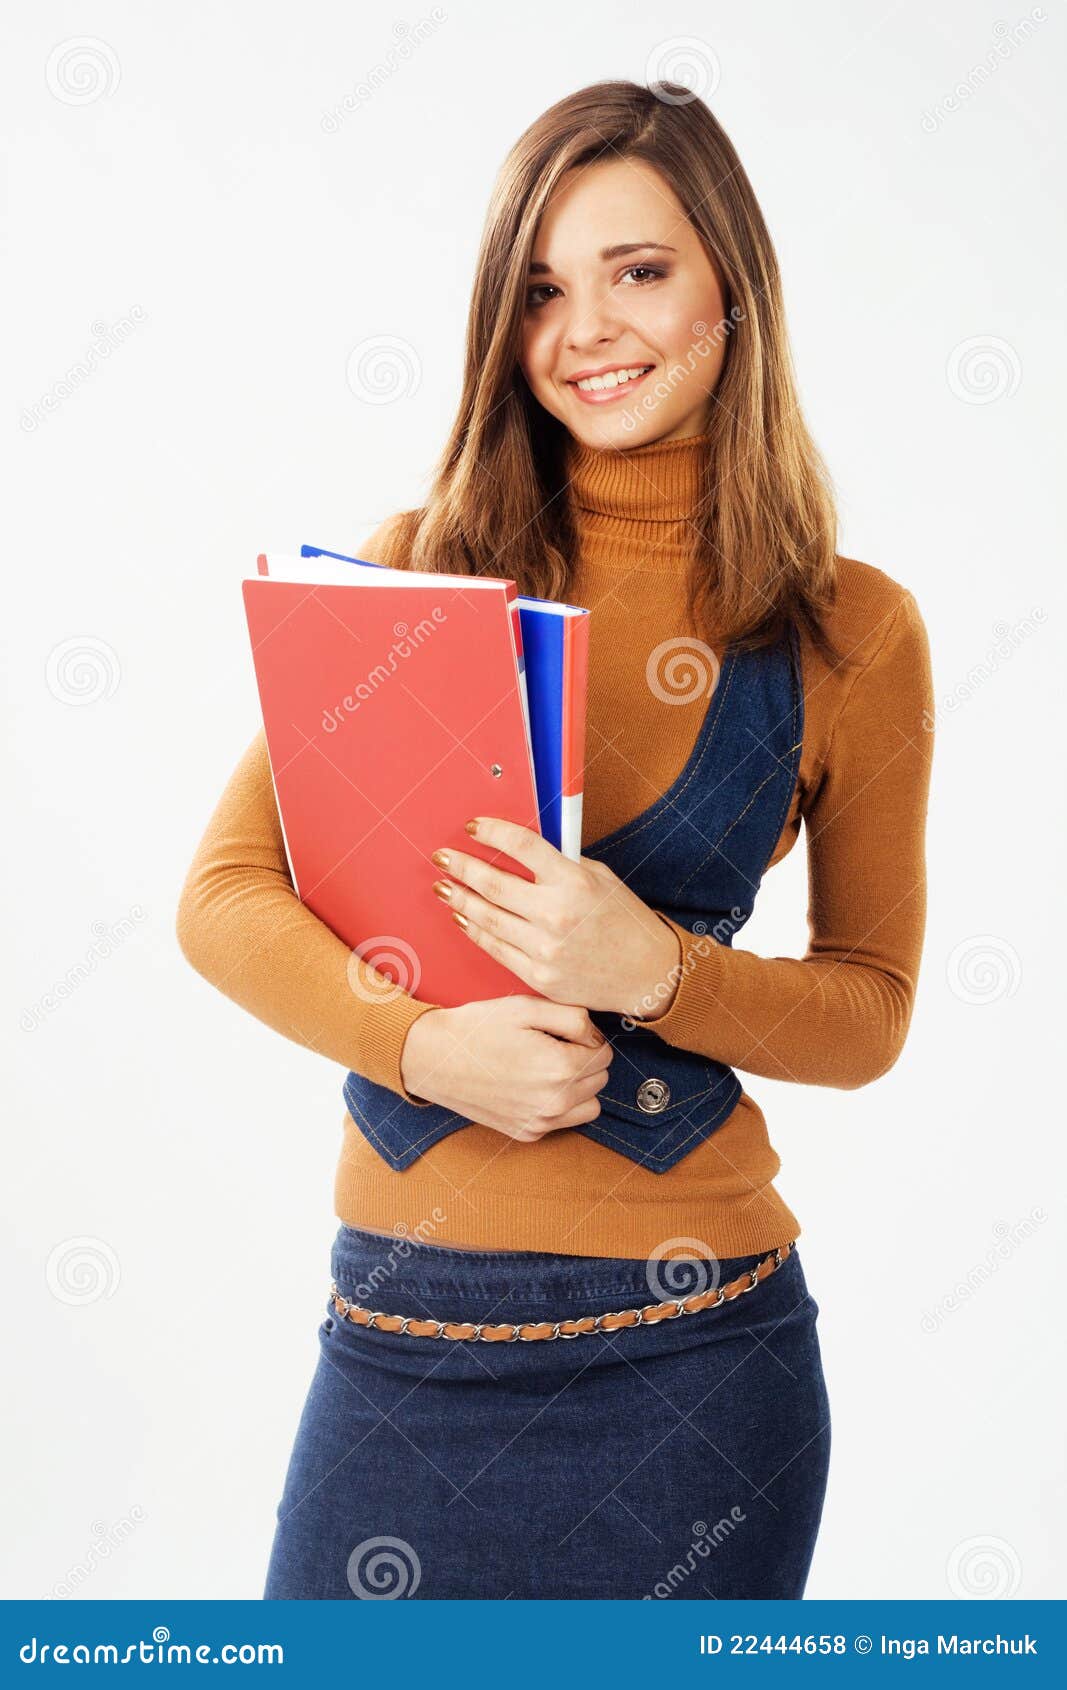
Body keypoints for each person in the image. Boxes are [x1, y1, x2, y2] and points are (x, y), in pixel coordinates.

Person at [176, 78, 934, 1601]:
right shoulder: (418, 567)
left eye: (638, 271)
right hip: (402, 1346)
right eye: (540, 290)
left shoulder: (856, 630)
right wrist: (426, 1049)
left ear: (734, 283)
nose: (586, 327)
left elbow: (869, 1013)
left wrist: (654, 968)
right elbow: (222, 896)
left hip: (700, 1372)